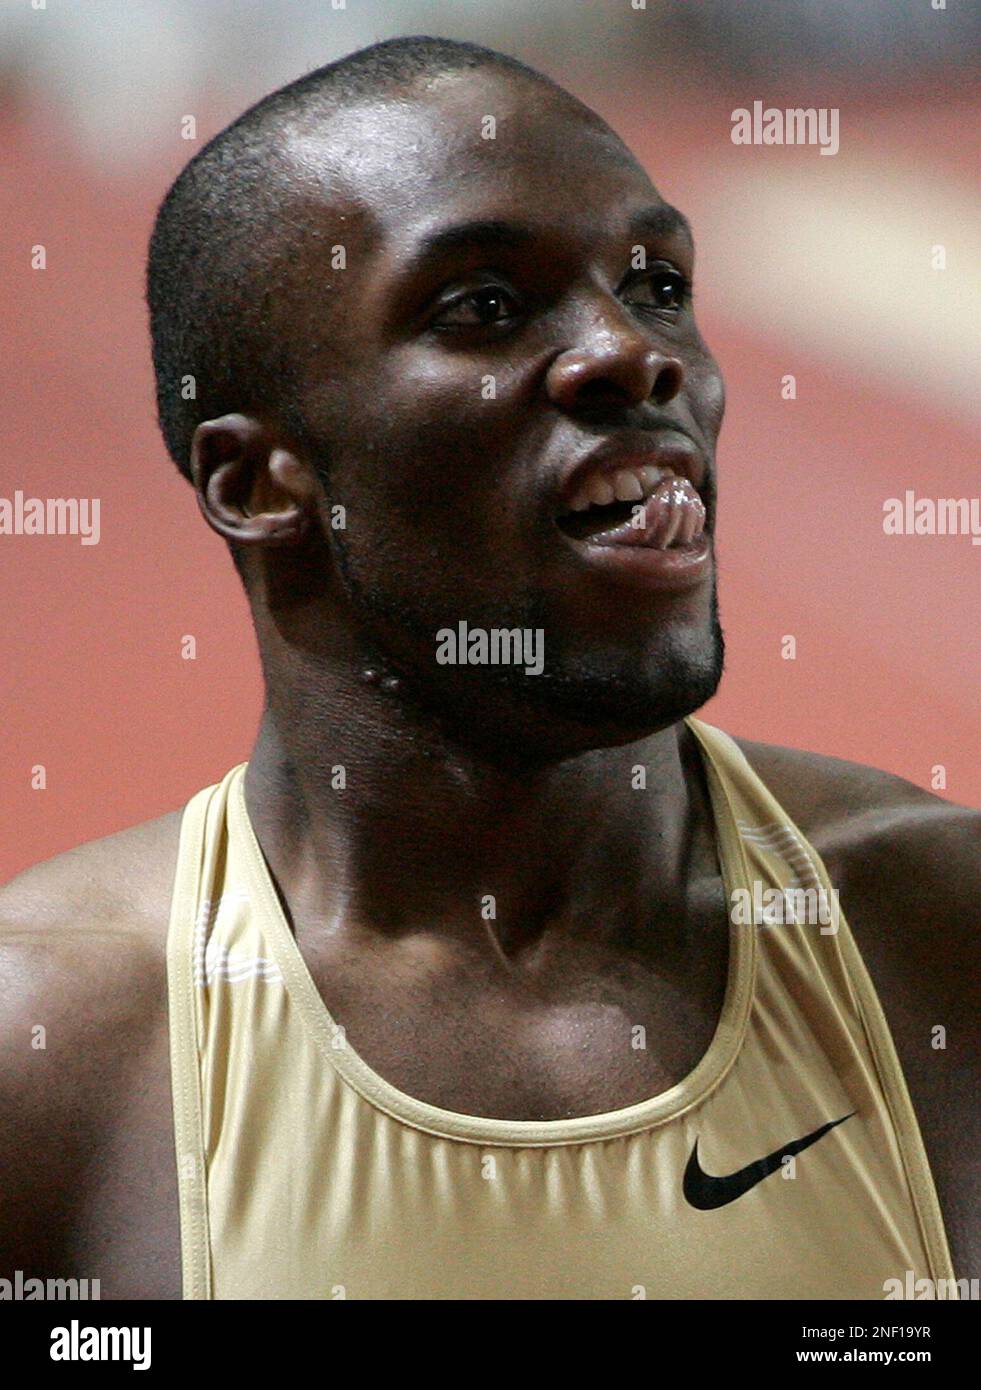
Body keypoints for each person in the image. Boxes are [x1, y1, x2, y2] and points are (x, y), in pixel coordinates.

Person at [1, 35, 976, 1301]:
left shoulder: (938, 937)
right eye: (486, 309)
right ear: (258, 483)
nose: (634, 353)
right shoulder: (56, 1052)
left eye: (656, 283)